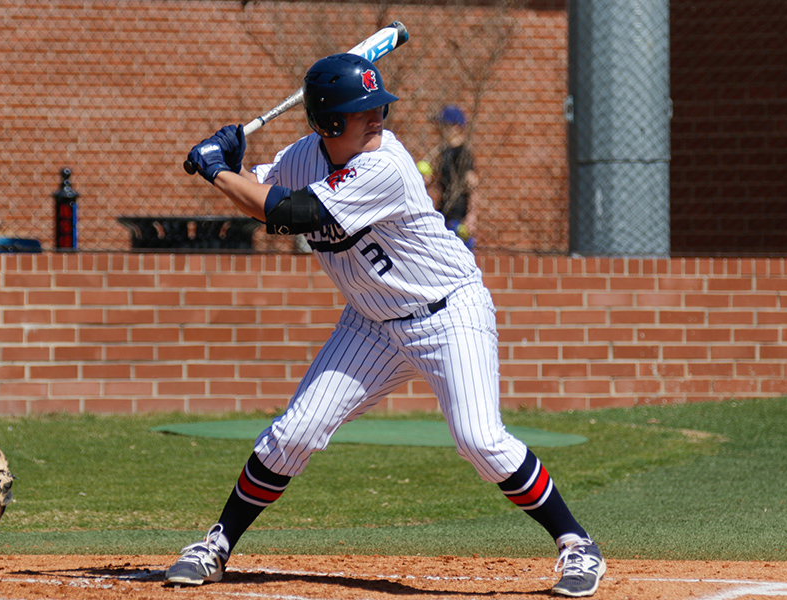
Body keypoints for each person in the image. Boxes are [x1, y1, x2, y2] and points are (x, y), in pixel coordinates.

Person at [173, 53, 605, 597]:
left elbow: (294, 215)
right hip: (371, 323)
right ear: (329, 124)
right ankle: (216, 544)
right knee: (295, 433)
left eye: (379, 106)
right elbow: (263, 197)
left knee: (479, 439)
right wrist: (233, 167)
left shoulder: (387, 165)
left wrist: (216, 170)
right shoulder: (303, 156)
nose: (378, 116)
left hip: (448, 311)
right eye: (364, 110)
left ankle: (576, 543)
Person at [428, 104, 478, 249]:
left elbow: (473, 185)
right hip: (444, 212)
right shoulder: (444, 152)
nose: (439, 130)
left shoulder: (462, 154)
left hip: (459, 216)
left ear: (454, 127)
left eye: (443, 125)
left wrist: (471, 217)